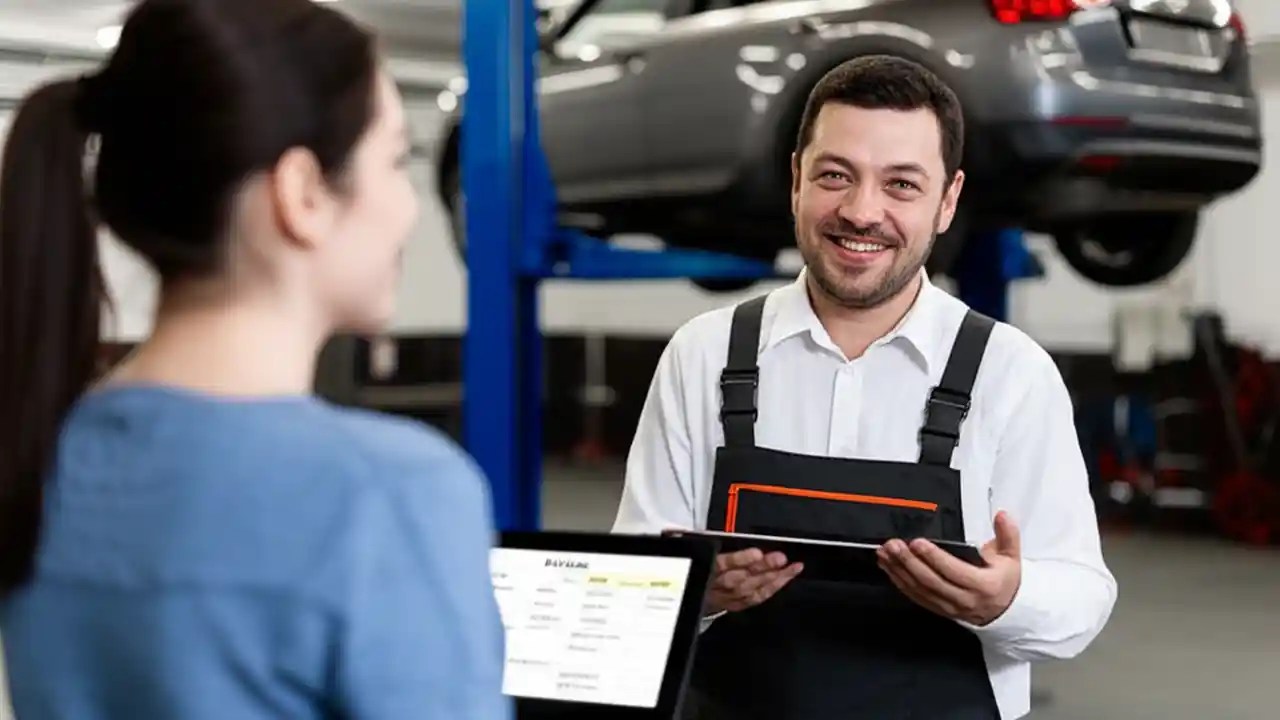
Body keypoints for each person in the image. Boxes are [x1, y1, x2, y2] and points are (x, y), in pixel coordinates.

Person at [0, 1, 510, 718]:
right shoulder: (386, 493)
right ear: (301, 194)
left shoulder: (42, 453)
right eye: (396, 160)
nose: (409, 208)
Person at [613, 56, 1118, 720]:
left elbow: (1081, 598)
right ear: (796, 179)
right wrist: (696, 593)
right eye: (834, 176)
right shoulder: (703, 356)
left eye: (901, 185)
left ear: (947, 201)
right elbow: (629, 592)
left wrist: (1007, 597)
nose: (861, 211)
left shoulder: (1011, 373)